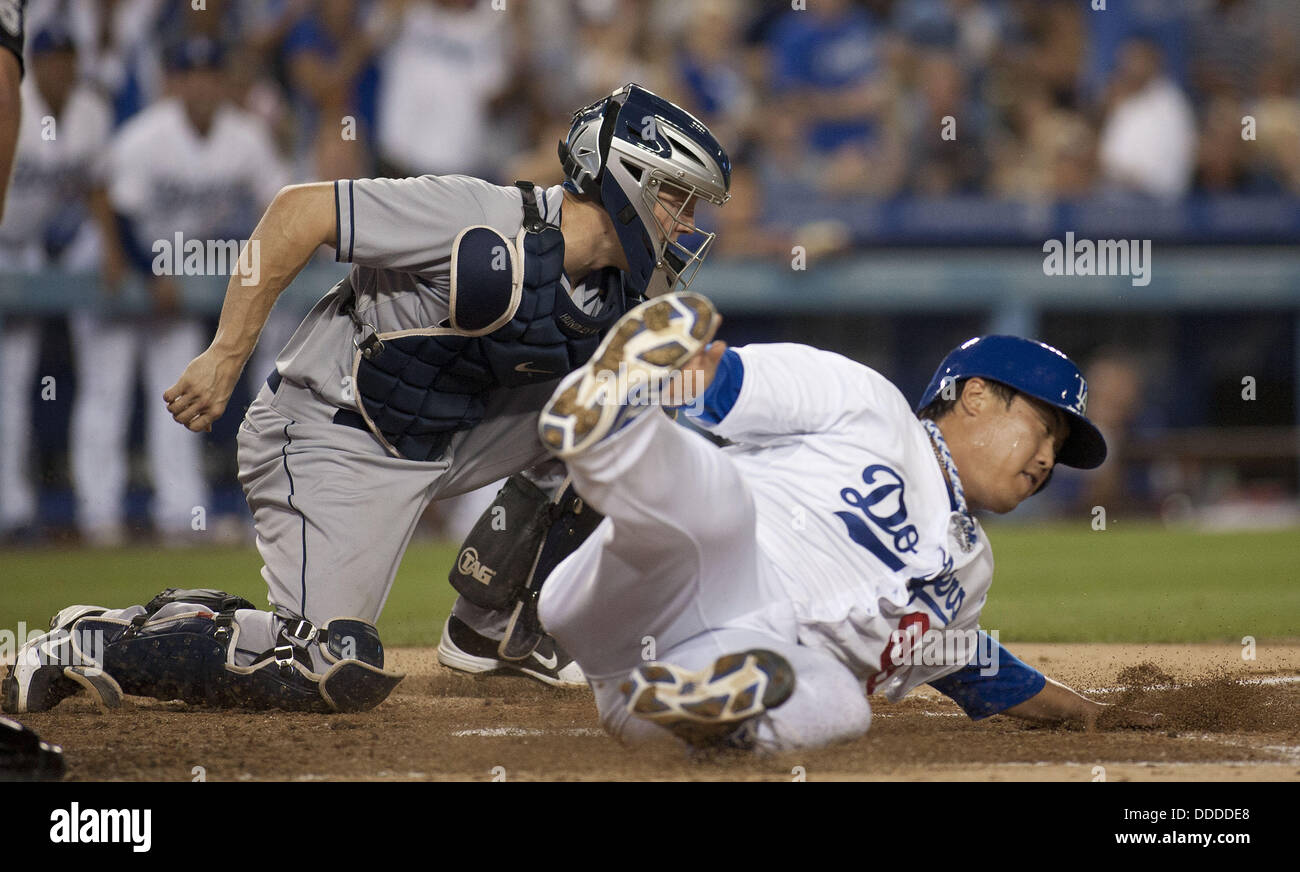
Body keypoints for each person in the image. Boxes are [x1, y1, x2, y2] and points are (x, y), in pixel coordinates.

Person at [2, 84, 732, 716]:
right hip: (332, 430)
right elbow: (297, 213)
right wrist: (227, 353)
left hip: (448, 434)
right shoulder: (479, 217)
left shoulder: (628, 291)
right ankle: (95, 638)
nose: (688, 222)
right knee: (324, 662)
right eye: (679, 198)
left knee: (631, 402)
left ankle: (496, 625)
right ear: (632, 180)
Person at [533, 296, 1159, 752]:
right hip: (668, 582)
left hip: (646, 689)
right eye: (1044, 427)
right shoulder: (869, 404)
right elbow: (719, 386)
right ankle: (611, 426)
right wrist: (677, 368)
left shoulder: (971, 571)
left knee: (840, 708)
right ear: (975, 396)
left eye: (1059, 448)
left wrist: (1087, 713)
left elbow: (970, 667)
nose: (1049, 457)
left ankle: (706, 712)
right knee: (720, 505)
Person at [74, 35, 288, 546]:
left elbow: (282, 204)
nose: (201, 84)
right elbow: (114, 207)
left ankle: (180, 513)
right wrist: (150, 273)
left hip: (174, 272)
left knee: (177, 394)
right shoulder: (146, 137)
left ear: (222, 81)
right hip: (119, 266)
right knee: (105, 392)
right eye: (189, 75)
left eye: (210, 74)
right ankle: (97, 516)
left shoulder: (245, 138)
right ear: (173, 82)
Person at [0, 25, 112, 541]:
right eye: (49, 60)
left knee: (36, 380)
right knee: (11, 385)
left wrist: (111, 249)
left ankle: (93, 509)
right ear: (35, 65)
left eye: (67, 59)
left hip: (48, 245)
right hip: (7, 242)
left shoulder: (90, 110)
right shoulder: (9, 101)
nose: (59, 69)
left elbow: (96, 188)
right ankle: (14, 510)